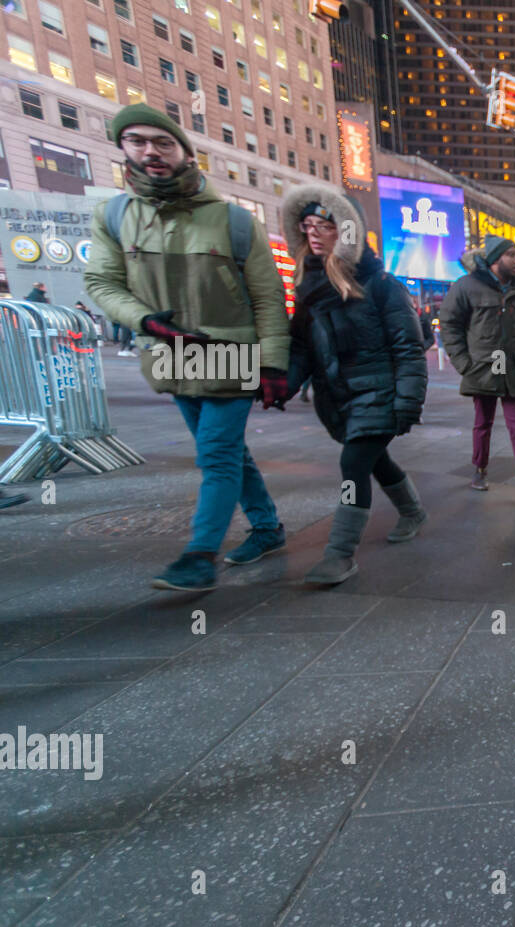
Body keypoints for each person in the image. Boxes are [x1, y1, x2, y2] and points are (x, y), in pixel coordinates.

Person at [84, 103, 291, 591]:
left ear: (184, 152)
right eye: (137, 141)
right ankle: (267, 529)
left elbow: (268, 299)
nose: (151, 152)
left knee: (216, 455)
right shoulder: (115, 216)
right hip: (169, 352)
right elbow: (101, 282)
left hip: (230, 350)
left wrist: (274, 366)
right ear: (123, 149)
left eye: (163, 143)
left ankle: (199, 555)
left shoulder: (234, 221)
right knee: (228, 452)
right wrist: (144, 321)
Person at [281, 185, 428, 585]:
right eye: (307, 226)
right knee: (373, 459)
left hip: (378, 394)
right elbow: (301, 348)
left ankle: (340, 553)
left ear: (345, 231)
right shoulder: (308, 288)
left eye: (324, 225)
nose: (314, 233)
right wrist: (282, 385)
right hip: (339, 399)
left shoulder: (380, 284)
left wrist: (407, 403)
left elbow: (409, 347)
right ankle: (413, 510)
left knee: (354, 465)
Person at [440, 235, 515, 497]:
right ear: (495, 258)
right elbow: (449, 324)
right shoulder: (466, 286)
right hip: (484, 367)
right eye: (511, 254)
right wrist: (464, 363)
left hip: (514, 367)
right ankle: (479, 470)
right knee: (483, 422)